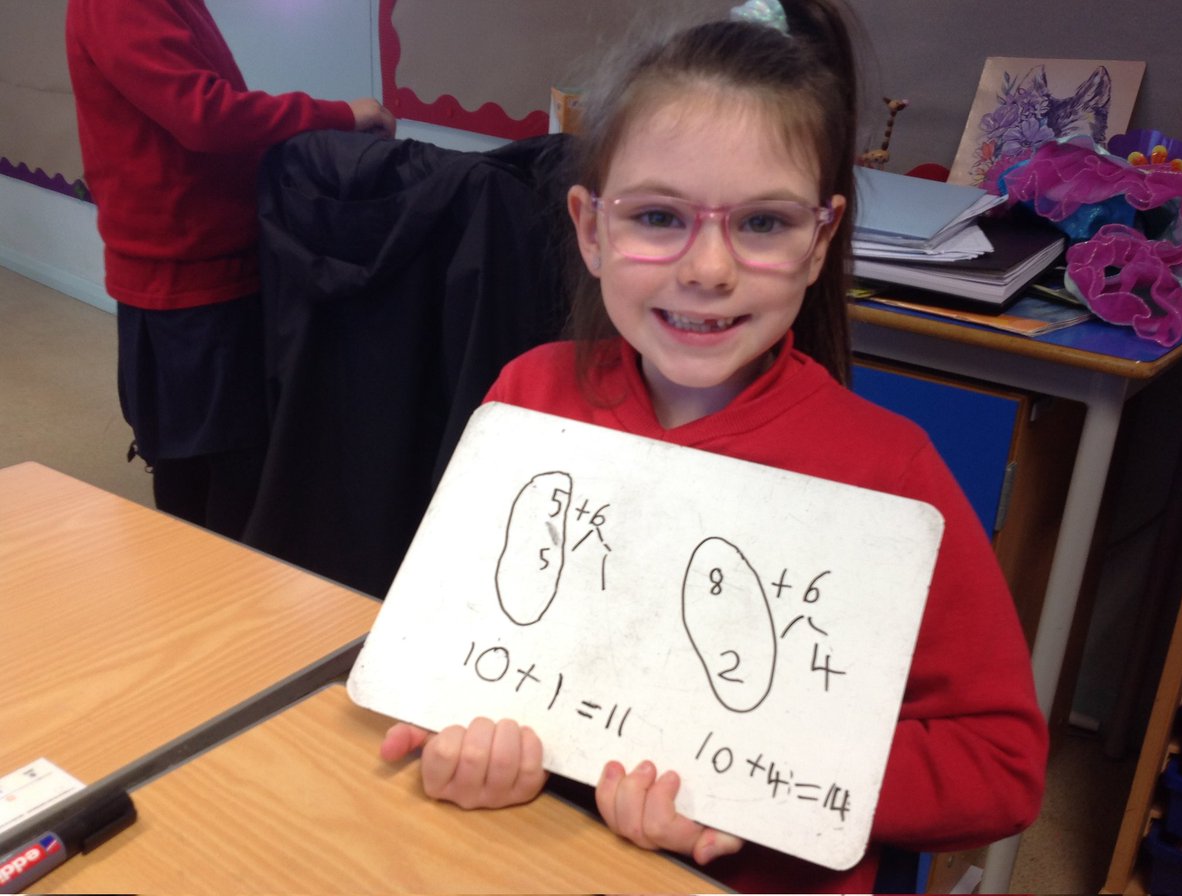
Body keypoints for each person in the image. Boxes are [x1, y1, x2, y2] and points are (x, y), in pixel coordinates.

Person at [379, 0, 1048, 891]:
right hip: (529, 858)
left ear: (820, 242)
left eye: (763, 224)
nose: (708, 269)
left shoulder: (887, 474)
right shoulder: (529, 399)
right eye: (658, 216)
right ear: (591, 229)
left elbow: (998, 765)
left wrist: (752, 788)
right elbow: (453, 645)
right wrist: (456, 736)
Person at [65, 0, 396, 538]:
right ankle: (208, 579)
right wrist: (339, 114)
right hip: (185, 279)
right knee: (215, 463)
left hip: (212, 262)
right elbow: (203, 115)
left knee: (221, 454)